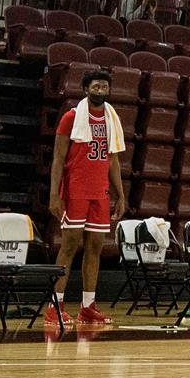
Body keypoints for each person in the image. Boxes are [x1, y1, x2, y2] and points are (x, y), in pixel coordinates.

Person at [47, 71, 127, 328]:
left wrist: (120, 194)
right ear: (85, 89)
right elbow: (58, 159)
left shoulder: (111, 119)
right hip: (76, 189)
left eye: (105, 86)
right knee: (69, 246)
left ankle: (88, 307)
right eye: (96, 85)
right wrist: (54, 194)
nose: (101, 89)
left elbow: (113, 159)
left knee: (95, 249)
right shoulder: (71, 118)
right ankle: (54, 305)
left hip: (100, 191)